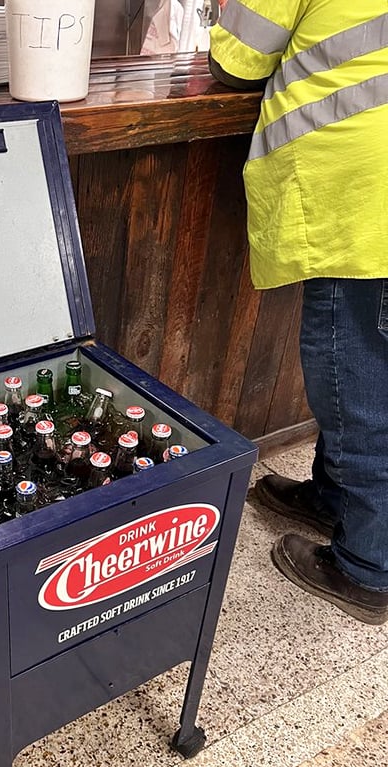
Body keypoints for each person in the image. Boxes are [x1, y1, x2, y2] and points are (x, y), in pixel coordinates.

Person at [209, 1, 388, 625]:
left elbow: (235, 60)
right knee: (363, 377)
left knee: (358, 386)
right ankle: (334, 498)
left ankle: (368, 567)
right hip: (371, 190)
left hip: (363, 198)